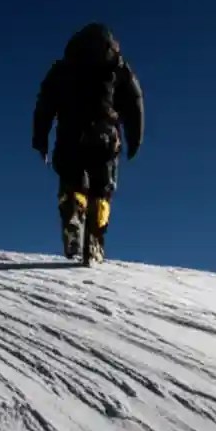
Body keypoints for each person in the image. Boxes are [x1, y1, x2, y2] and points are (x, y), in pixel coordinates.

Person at [32, 23, 144, 262]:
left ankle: (73, 211)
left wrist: (40, 139)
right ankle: (94, 236)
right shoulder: (118, 66)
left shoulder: (62, 68)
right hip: (105, 137)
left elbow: (44, 105)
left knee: (72, 182)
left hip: (70, 135)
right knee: (102, 190)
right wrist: (135, 138)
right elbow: (135, 102)